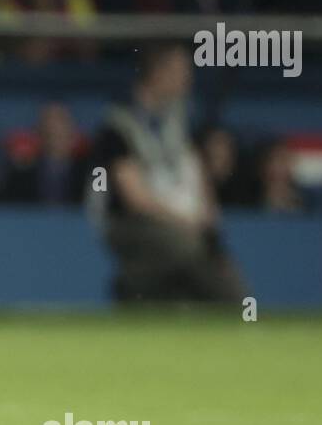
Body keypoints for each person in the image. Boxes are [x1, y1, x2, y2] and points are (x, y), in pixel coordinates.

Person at [86, 44, 244, 303]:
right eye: (181, 71)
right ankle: (131, 284)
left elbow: (198, 176)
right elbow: (135, 198)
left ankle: (214, 311)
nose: (188, 79)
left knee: (223, 272)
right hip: (131, 224)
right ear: (158, 73)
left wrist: (208, 219)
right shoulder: (118, 126)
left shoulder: (180, 122)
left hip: (182, 222)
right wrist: (186, 222)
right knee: (185, 247)